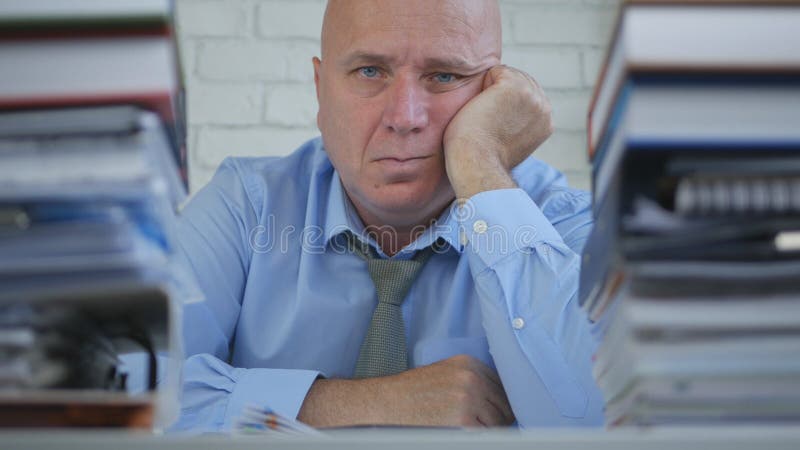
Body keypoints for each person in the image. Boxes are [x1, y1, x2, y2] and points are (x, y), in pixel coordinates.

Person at [172, 0, 603, 432]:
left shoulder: (557, 224)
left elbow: (597, 421)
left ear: (494, 96)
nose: (404, 117)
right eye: (370, 71)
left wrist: (480, 162)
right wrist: (370, 403)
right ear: (320, 90)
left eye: (444, 76)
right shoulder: (244, 207)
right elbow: (127, 391)